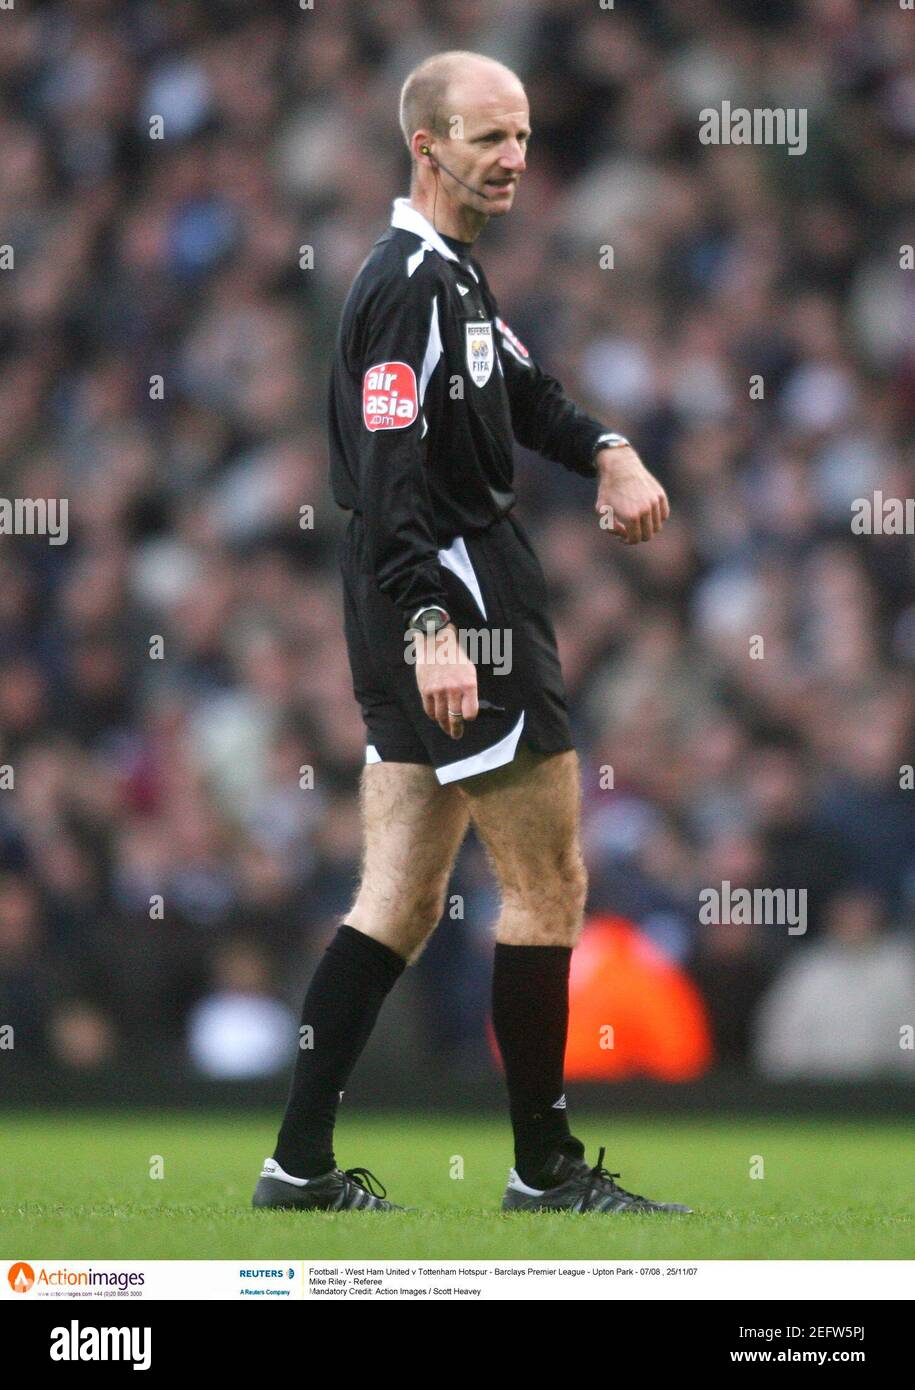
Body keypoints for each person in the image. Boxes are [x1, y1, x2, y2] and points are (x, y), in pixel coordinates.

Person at [253, 50, 691, 1214]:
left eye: (525, 137)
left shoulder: (452, 276)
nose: (514, 160)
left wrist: (608, 448)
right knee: (547, 882)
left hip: (413, 599)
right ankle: (544, 1169)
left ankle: (295, 1165)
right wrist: (440, 625)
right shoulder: (407, 282)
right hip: (455, 597)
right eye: (489, 137)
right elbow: (388, 483)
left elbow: (526, 391)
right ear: (426, 145)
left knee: (395, 897)